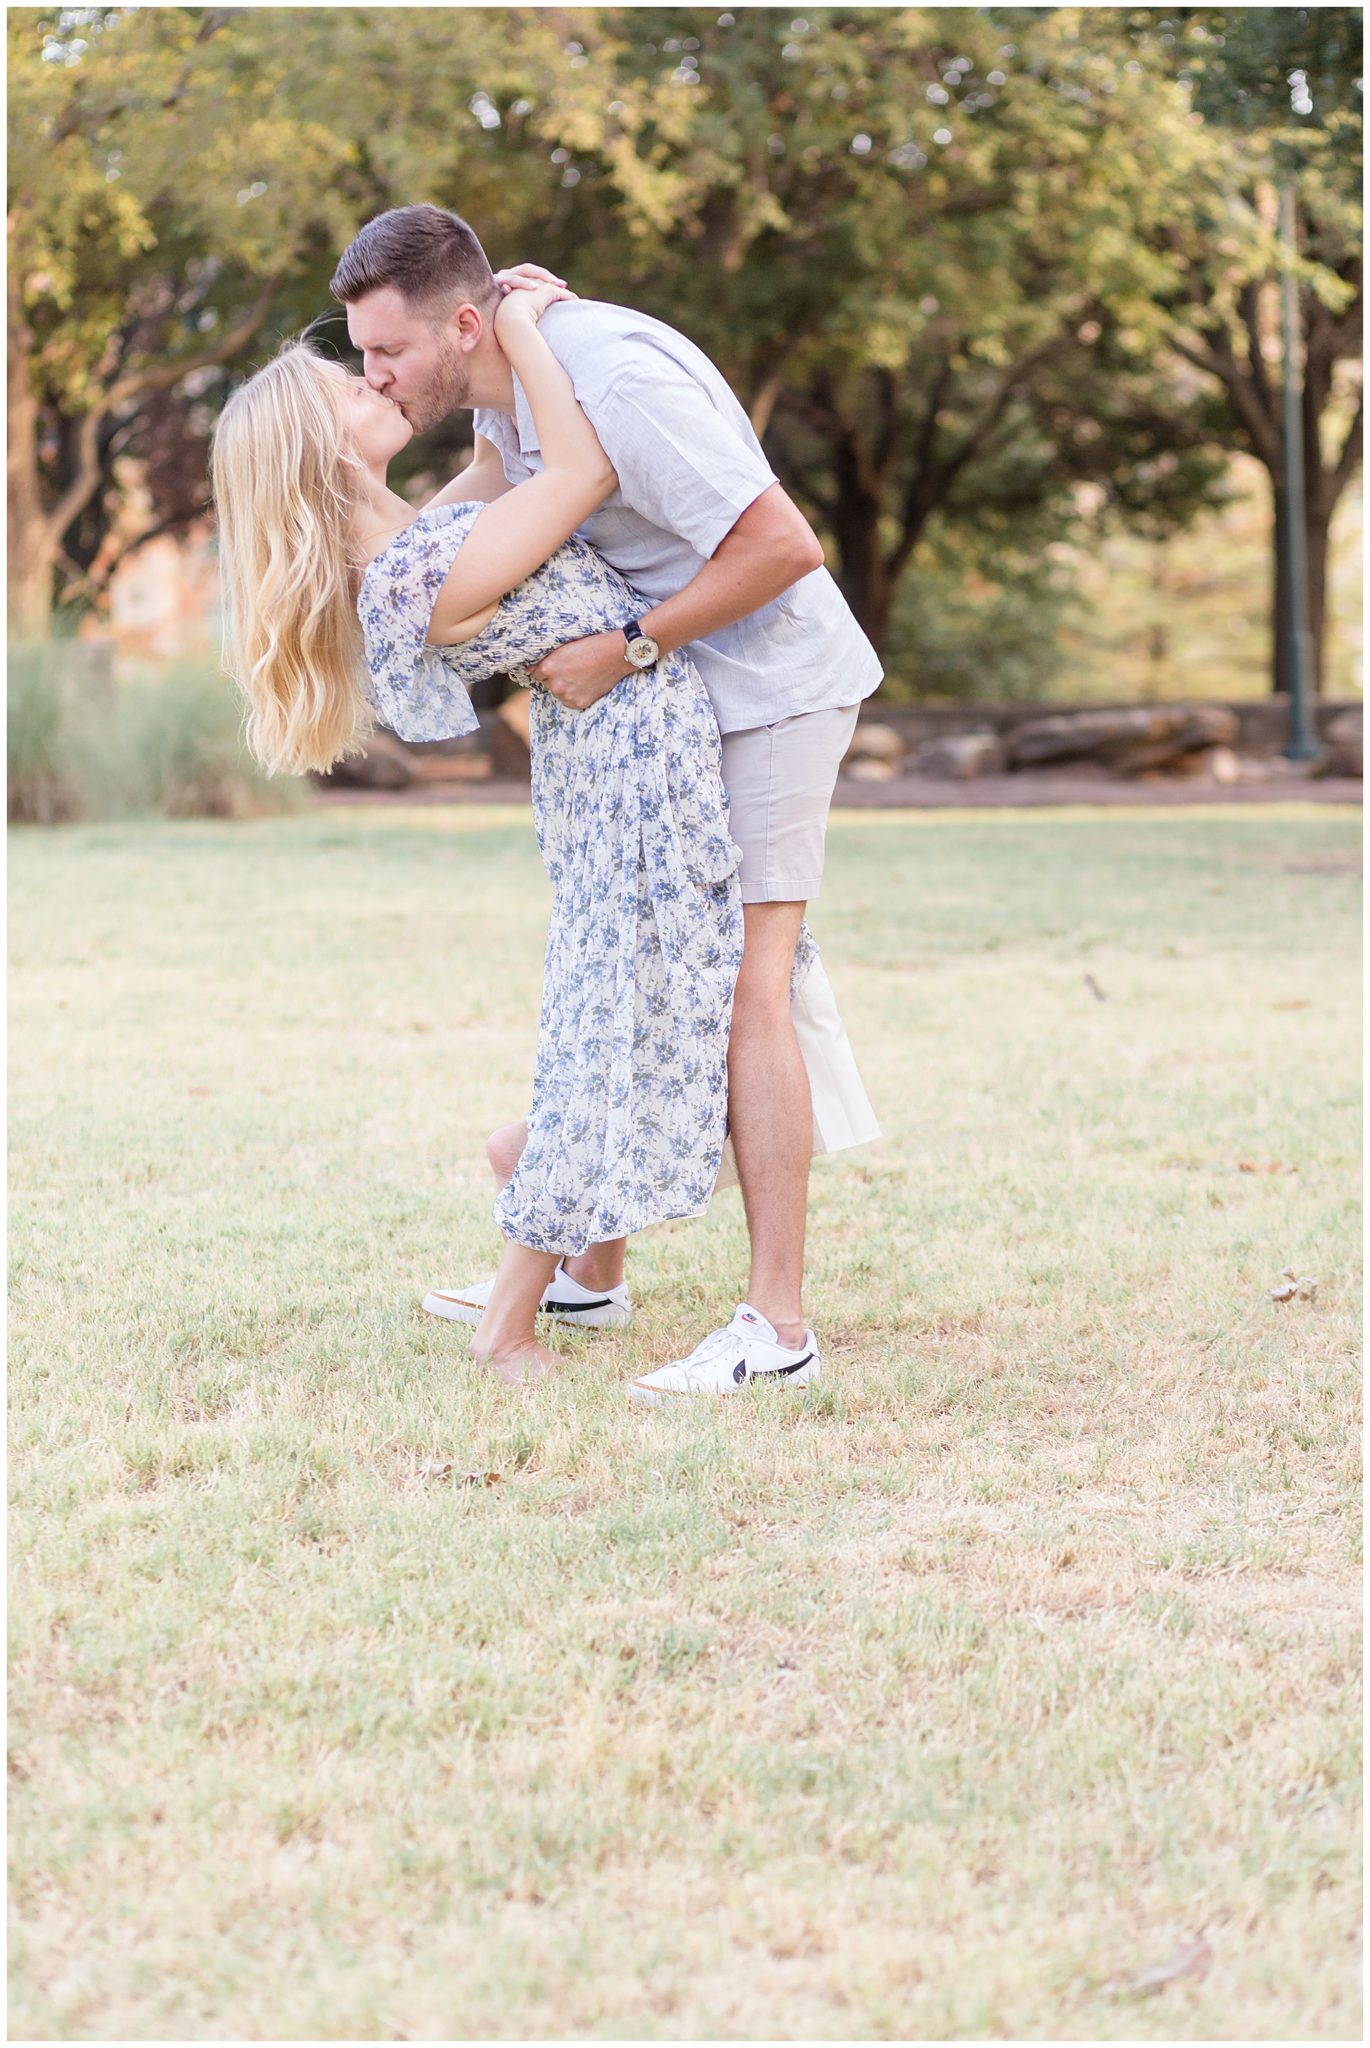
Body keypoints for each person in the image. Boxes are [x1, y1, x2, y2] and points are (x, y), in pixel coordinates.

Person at [332, 205, 882, 1402]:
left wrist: (628, 643)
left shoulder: (613, 379)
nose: (372, 374)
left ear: (464, 321)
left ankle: (775, 1325)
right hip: (680, 699)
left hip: (770, 688)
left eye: (387, 354)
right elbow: (497, 491)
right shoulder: (506, 375)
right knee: (657, 970)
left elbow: (786, 545)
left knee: (753, 985)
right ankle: (589, 1265)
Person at [211, 283, 763, 1390]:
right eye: (346, 381)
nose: (372, 376)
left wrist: (481, 348)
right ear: (321, 448)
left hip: (615, 760)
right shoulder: (416, 572)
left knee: (627, 1000)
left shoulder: (407, 541)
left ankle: (578, 1251)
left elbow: (502, 473)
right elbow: (577, 474)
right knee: (606, 1020)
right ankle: (507, 1316)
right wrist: (513, 323)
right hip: (626, 770)